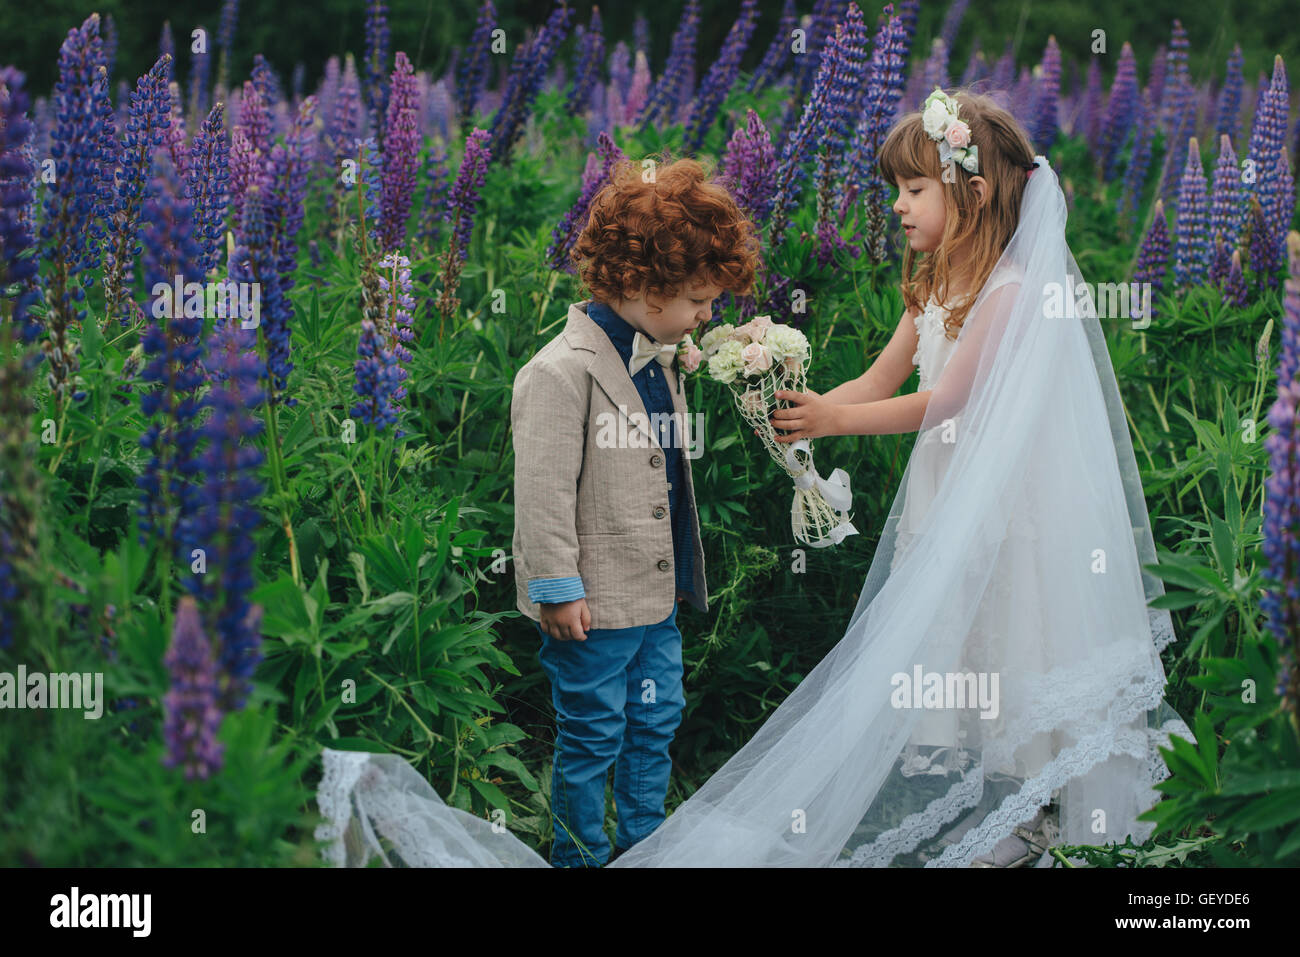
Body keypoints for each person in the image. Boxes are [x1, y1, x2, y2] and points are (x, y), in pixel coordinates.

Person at [314, 89, 1192, 868]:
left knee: (1015, 638)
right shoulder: (928, 288)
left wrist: (836, 420)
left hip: (1008, 506)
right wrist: (803, 403)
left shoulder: (1006, 293)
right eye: (894, 190)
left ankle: (1035, 803)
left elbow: (946, 402)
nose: (896, 206)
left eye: (913, 190)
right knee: (960, 650)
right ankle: (999, 798)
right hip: (945, 502)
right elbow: (880, 381)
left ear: (974, 190)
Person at [509, 155, 757, 867]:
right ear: (647, 288)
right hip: (591, 603)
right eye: (700, 301)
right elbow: (542, 493)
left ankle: (645, 841)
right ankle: (579, 852)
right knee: (593, 730)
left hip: (656, 593)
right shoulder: (560, 372)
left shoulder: (662, 351)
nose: (709, 316)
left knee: (656, 718)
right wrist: (556, 586)